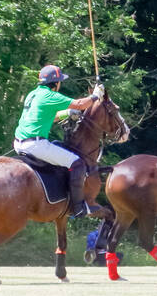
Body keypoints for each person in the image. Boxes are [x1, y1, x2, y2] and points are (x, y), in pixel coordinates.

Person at [13, 65, 105, 217]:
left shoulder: (33, 94)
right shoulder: (50, 95)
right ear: (55, 83)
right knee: (77, 163)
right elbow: (81, 104)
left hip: (19, 143)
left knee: (57, 147)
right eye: (60, 81)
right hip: (35, 145)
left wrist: (67, 113)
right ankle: (78, 208)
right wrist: (96, 95)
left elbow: (49, 116)